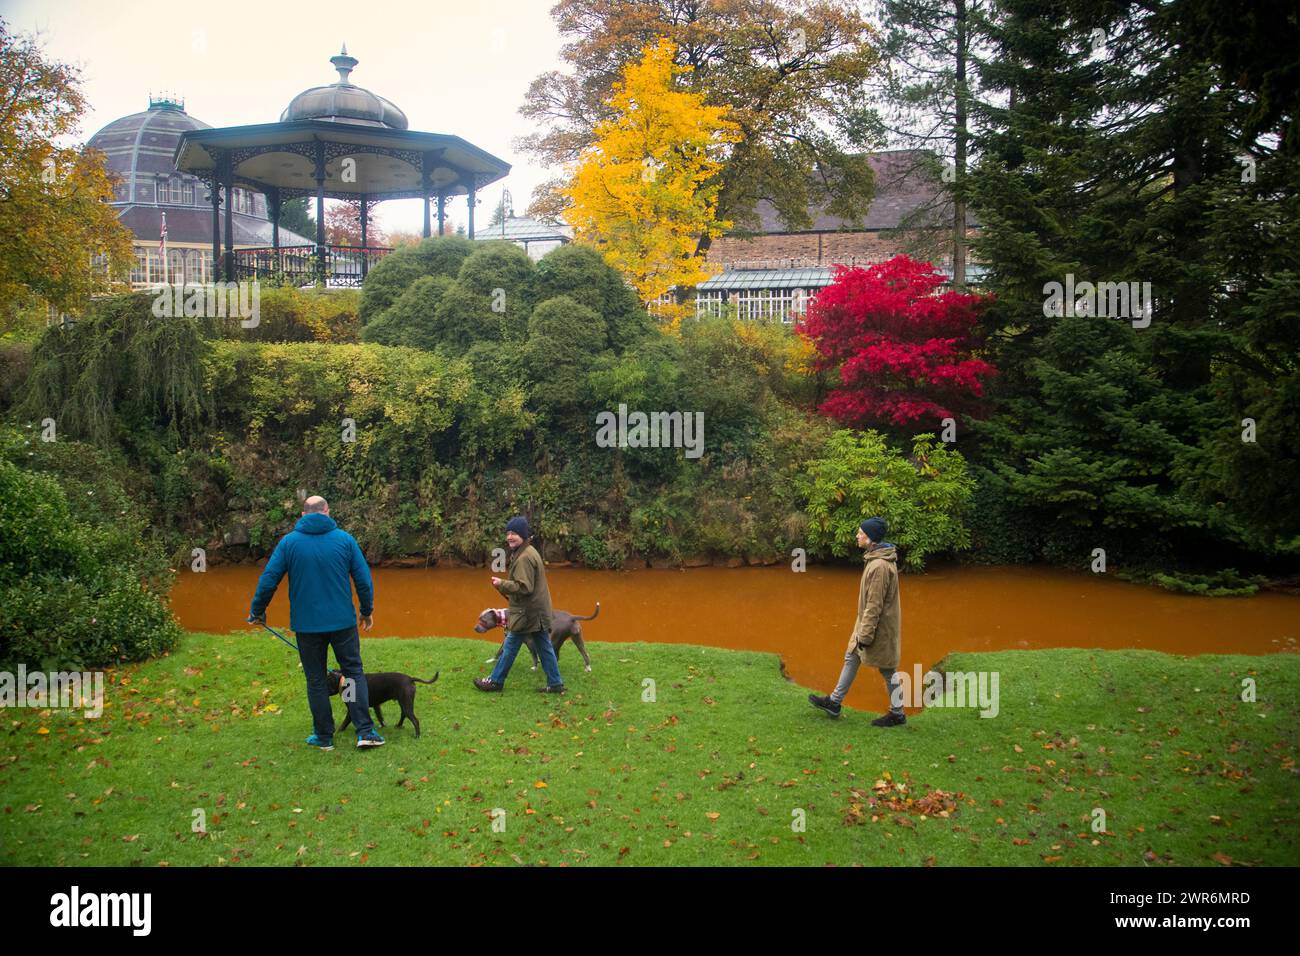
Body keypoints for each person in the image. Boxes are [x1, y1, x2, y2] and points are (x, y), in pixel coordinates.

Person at [247, 495, 384, 750]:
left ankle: (324, 736)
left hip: (307, 627)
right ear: (327, 512)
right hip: (343, 623)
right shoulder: (345, 540)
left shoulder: (289, 543)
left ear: (302, 515)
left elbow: (269, 579)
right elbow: (363, 580)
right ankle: (365, 731)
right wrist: (366, 611)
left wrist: (257, 611)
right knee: (353, 674)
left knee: (317, 680)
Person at [808, 517, 906, 727]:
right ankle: (834, 702)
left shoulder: (879, 566)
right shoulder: (874, 559)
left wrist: (866, 634)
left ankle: (898, 714)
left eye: (860, 533)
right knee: (851, 656)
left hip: (878, 628)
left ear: (870, 539)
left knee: (888, 669)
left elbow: (874, 604)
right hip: (866, 624)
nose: (857, 536)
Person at [474, 516, 565, 694]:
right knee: (544, 646)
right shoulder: (529, 551)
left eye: (514, 533)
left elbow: (524, 587)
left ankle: (495, 681)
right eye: (508, 533)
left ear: (523, 535)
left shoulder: (524, 557)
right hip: (536, 611)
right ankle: (555, 684)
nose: (509, 537)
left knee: (510, 645)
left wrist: (502, 584)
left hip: (528, 613)